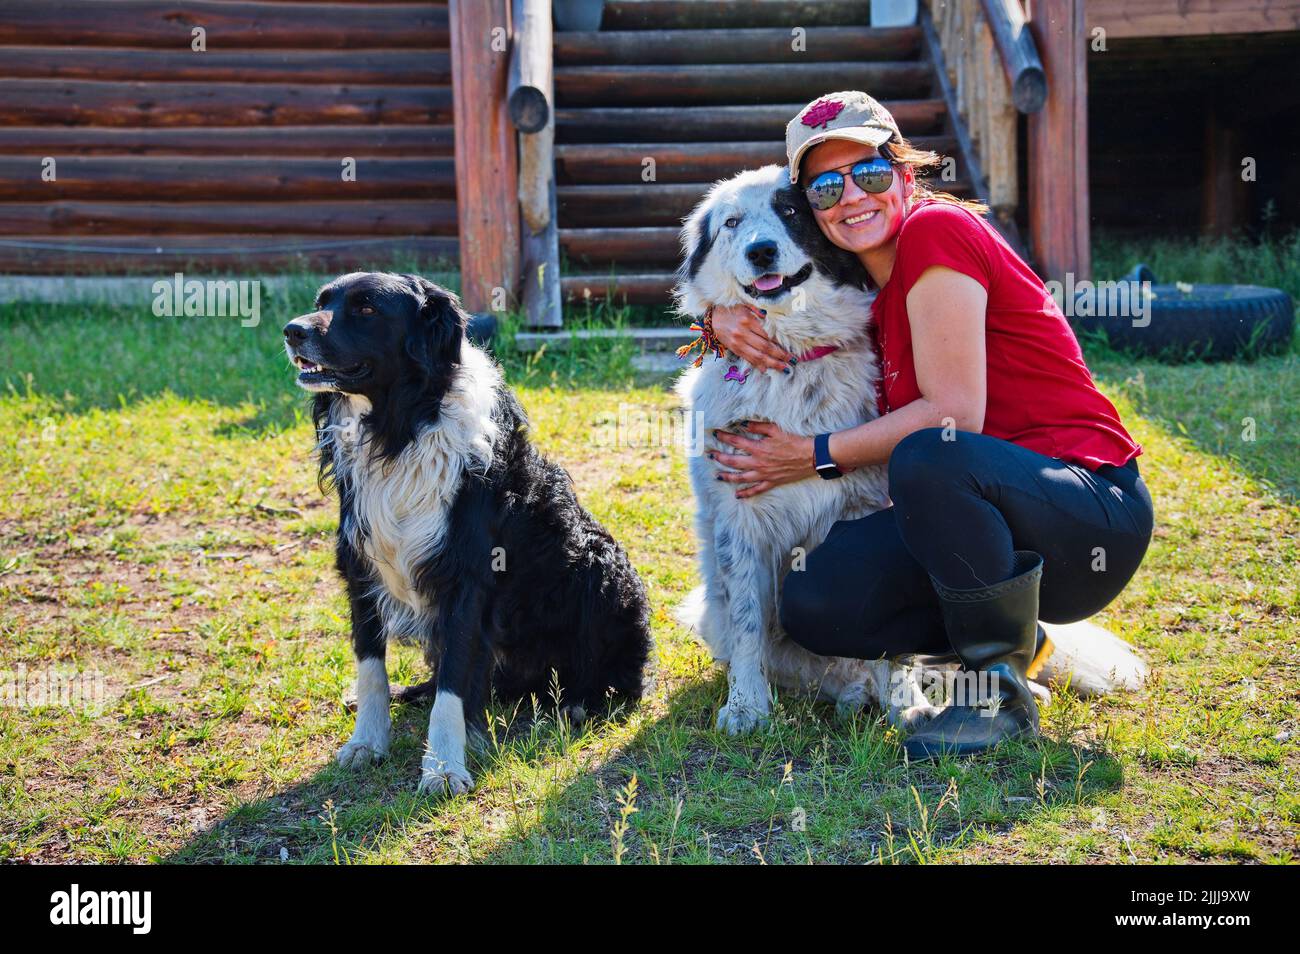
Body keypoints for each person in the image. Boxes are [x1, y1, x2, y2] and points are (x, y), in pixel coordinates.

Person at [704, 91, 1154, 758]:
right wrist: (717, 322)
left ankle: (996, 697)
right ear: (810, 215)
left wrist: (811, 454)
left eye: (871, 174)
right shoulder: (862, 280)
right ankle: (1021, 641)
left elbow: (952, 414)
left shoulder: (934, 232)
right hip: (988, 522)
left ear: (905, 175)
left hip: (1088, 510)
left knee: (929, 453)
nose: (851, 197)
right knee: (817, 599)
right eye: (826, 188)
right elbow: (772, 303)